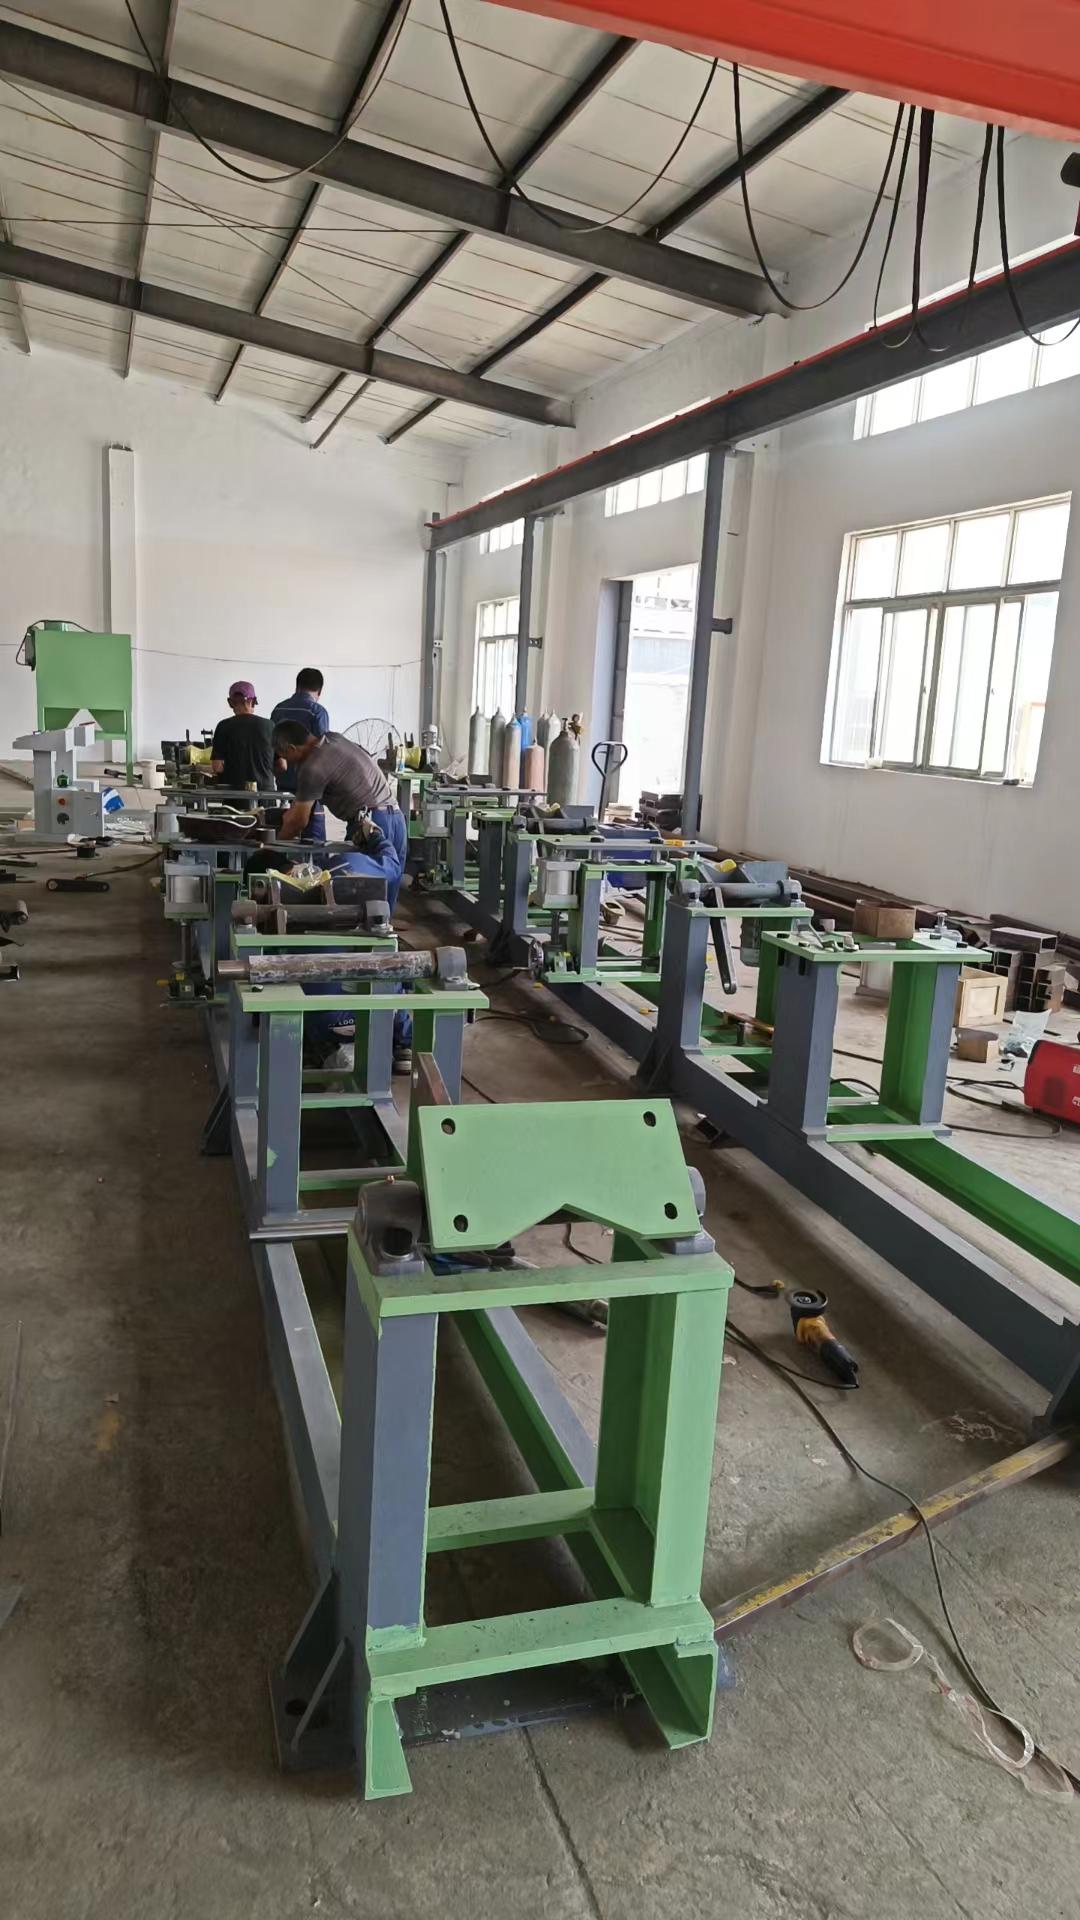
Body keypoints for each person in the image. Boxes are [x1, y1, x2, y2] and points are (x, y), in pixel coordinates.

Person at [272, 720, 408, 908]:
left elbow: (297, 821)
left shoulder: (312, 766)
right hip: (395, 817)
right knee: (385, 899)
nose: (287, 763)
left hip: (369, 825)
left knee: (361, 900)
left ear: (291, 748)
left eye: (285, 756)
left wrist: (272, 850)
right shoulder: (334, 738)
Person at [271, 669, 330, 844]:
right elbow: (322, 752)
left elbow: (273, 747)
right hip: (309, 787)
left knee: (284, 831)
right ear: (319, 691)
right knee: (312, 843)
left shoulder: (279, 709)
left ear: (297, 686)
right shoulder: (318, 712)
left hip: (283, 785)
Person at [210, 681, 274, 792]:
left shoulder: (223, 726)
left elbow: (217, 767)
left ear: (230, 703)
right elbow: (282, 765)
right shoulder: (270, 726)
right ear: (253, 701)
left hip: (234, 793)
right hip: (265, 793)